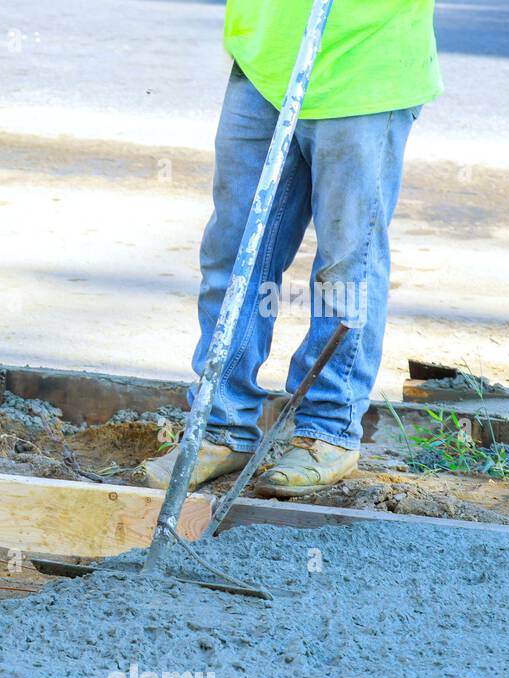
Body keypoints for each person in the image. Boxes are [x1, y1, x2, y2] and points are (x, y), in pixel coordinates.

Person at [141, 0, 443, 496]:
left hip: (365, 68)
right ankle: (221, 426)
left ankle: (328, 430)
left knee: (346, 265)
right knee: (234, 253)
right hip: (266, 65)